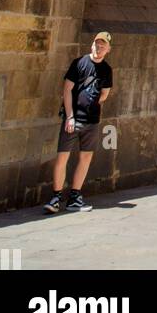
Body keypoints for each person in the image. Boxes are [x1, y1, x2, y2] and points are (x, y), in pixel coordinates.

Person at [44, 33, 113, 214]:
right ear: (92, 45)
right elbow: (67, 90)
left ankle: (75, 196)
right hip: (73, 120)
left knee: (86, 157)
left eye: (103, 46)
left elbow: (104, 94)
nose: (99, 48)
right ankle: (56, 197)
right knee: (62, 157)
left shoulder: (107, 70)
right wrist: (70, 116)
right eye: (97, 44)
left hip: (91, 120)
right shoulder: (79, 63)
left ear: (108, 50)